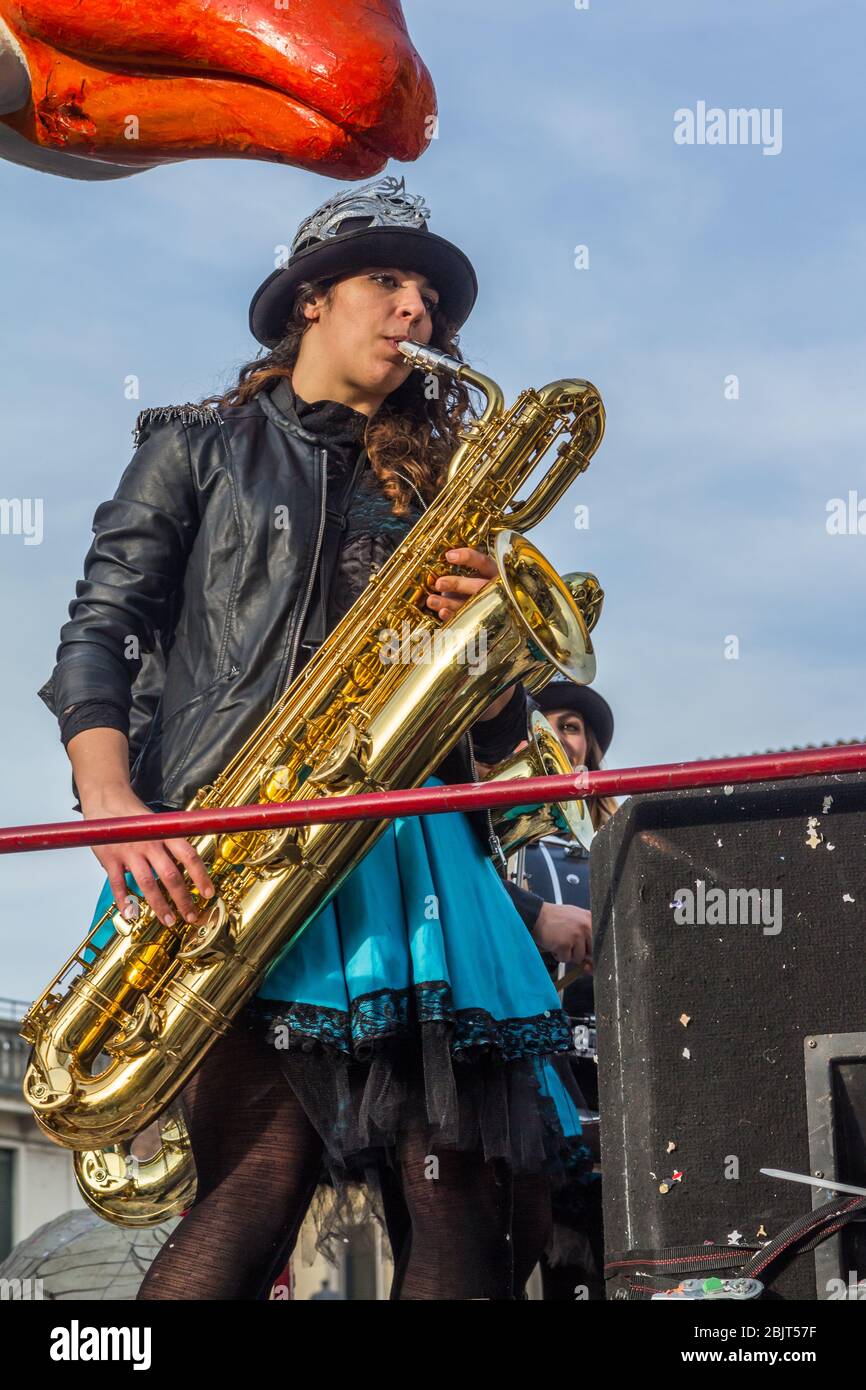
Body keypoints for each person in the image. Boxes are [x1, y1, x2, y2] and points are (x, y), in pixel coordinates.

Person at [37, 174, 594, 1301]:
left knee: (468, 1203)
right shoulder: (193, 444)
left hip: (417, 859)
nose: (416, 314)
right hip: (236, 842)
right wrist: (111, 805)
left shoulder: (439, 487)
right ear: (308, 301)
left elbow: (487, 746)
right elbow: (101, 629)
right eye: (385, 283)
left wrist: (482, 646)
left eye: (430, 299)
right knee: (255, 1184)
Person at [521, 676, 618, 1299]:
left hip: (609, 1061)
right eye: (549, 722)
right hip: (537, 1059)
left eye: (575, 726)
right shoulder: (507, 842)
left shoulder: (617, 835)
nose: (563, 735)